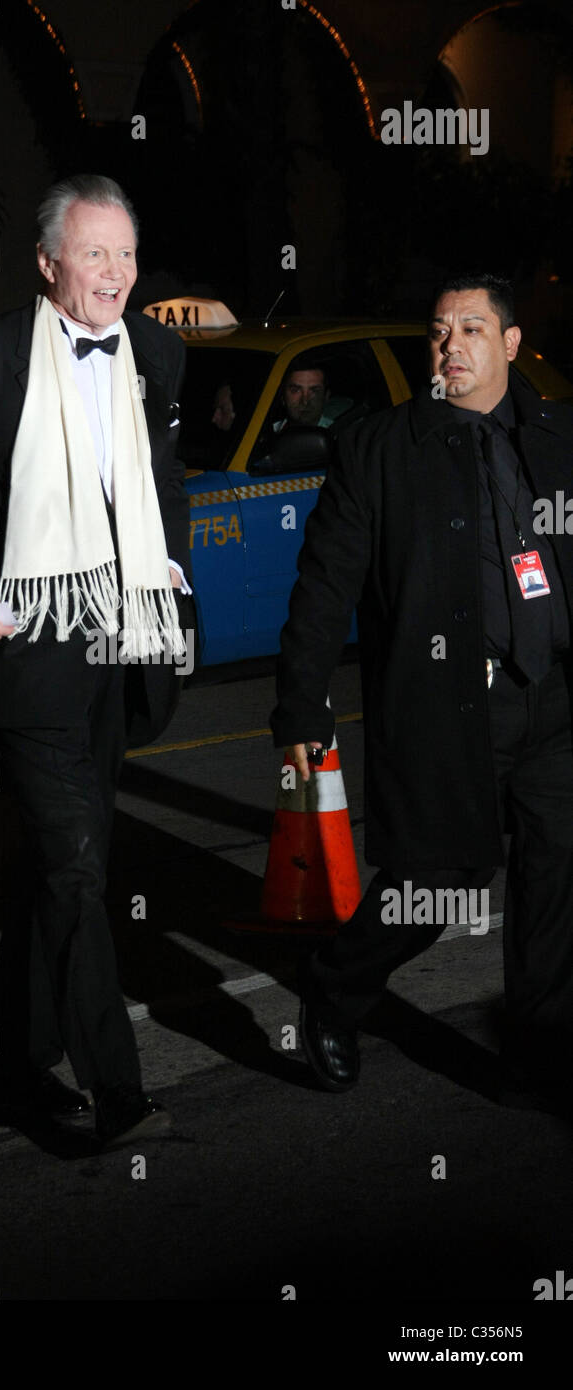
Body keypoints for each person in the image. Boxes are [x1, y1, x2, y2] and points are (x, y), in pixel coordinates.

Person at [0, 174, 191, 1149]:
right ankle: (117, 1090)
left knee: (61, 871)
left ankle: (14, 1069)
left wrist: (171, 579)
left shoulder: (155, 351)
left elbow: (161, 472)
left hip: (119, 642)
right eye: (93, 253)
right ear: (48, 262)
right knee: (79, 871)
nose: (114, 273)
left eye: (125, 253)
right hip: (27, 649)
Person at [271, 272, 573, 1111]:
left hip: (552, 701)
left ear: (510, 344)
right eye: (440, 330)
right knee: (439, 890)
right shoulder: (381, 447)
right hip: (450, 706)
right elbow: (325, 584)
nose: (451, 345)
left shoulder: (554, 435)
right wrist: (300, 705)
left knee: (556, 879)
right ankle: (335, 988)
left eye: (472, 329)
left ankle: (538, 1054)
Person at [279, 361, 334, 429]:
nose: (305, 401)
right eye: (295, 390)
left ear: (326, 396)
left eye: (314, 391)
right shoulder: (266, 433)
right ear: (282, 396)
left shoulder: (340, 435)